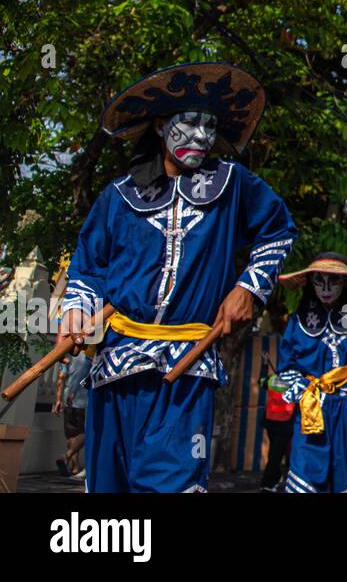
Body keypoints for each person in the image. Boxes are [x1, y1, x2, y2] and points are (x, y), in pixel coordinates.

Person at [57, 62, 296, 492]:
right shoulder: (118, 197)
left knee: (176, 483)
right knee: (110, 486)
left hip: (187, 368)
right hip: (116, 368)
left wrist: (248, 288)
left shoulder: (231, 184)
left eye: (211, 126)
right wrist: (75, 313)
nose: (203, 136)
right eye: (190, 124)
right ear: (162, 125)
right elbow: (88, 270)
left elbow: (278, 231)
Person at [276, 254, 347, 493]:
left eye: (333, 281)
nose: (325, 289)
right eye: (318, 281)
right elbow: (286, 363)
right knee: (304, 477)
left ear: (345, 282)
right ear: (310, 282)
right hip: (311, 410)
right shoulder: (300, 316)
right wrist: (299, 387)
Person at [53, 351, 91, 479]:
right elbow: (87, 377)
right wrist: (80, 388)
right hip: (84, 399)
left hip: (67, 398)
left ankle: (74, 467)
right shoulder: (90, 354)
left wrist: (58, 400)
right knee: (87, 432)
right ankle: (66, 456)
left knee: (71, 434)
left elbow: (60, 378)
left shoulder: (67, 355)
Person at [259, 372, 294, 491]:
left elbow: (261, 381)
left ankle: (275, 477)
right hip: (285, 421)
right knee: (278, 454)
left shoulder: (272, 378)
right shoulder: (295, 380)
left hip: (271, 420)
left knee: (274, 453)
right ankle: (268, 483)